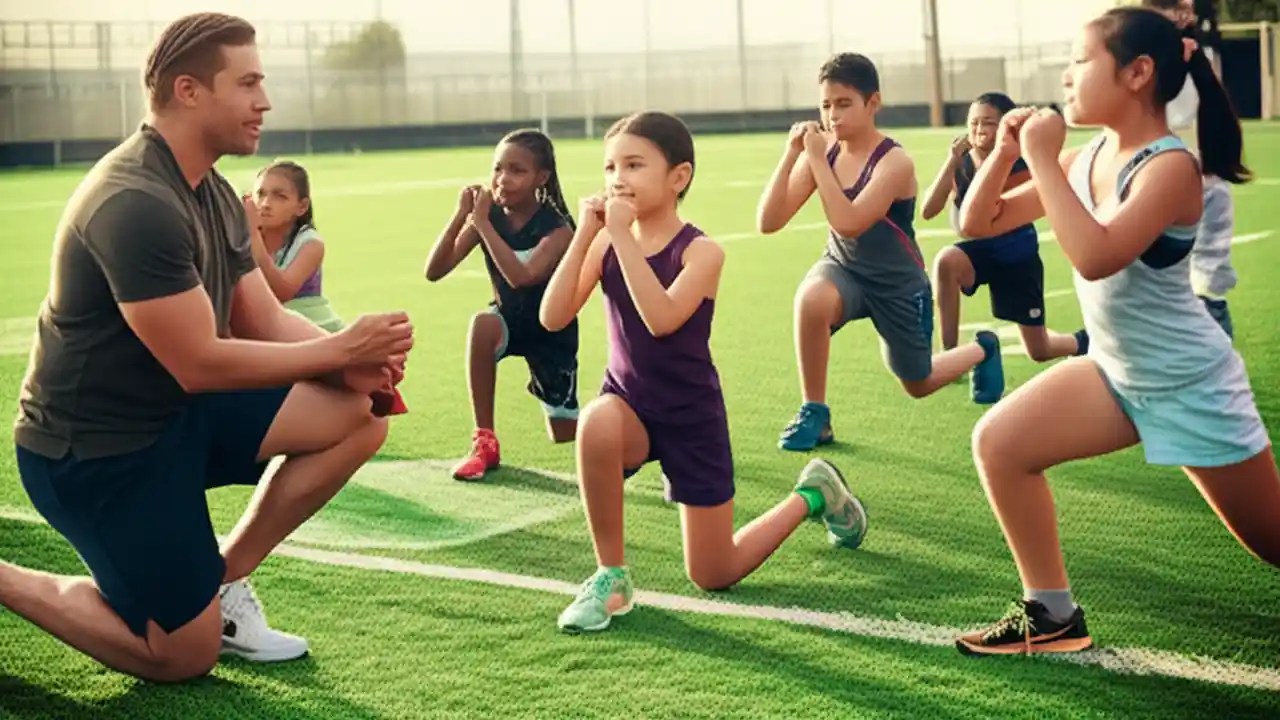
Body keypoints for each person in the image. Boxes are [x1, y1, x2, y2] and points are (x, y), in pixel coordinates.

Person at [2, 13, 413, 682]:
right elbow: (197, 362)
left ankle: (216, 581)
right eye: (248, 83)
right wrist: (340, 350)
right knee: (181, 657)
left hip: (173, 419)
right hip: (98, 450)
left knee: (360, 412)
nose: (265, 101)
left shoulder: (217, 193)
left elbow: (266, 319)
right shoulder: (133, 200)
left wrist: (355, 361)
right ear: (188, 91)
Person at [954, 7, 1276, 656]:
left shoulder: (1170, 169)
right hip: (1117, 374)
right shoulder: (1084, 156)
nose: (1065, 77)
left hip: (1190, 385)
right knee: (1001, 443)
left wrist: (1043, 158)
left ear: (1138, 73)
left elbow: (1096, 253)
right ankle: (1052, 616)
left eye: (1079, 62)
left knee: (1273, 543)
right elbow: (977, 222)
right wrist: (1010, 154)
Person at [540, 111, 868, 634]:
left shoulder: (701, 252)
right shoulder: (604, 241)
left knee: (715, 573)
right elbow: (552, 317)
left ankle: (814, 495)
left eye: (633, 164)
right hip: (630, 405)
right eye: (609, 168)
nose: (617, 179)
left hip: (691, 418)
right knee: (597, 420)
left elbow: (663, 320)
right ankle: (611, 574)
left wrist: (619, 237)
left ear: (678, 177)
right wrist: (585, 236)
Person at [756, 53, 1006, 454]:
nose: (832, 115)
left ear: (873, 104)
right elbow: (768, 221)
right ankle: (815, 412)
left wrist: (816, 159)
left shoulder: (894, 161)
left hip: (896, 284)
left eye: (843, 104)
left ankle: (982, 349)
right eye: (825, 105)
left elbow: (849, 221)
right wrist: (792, 154)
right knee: (811, 298)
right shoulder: (827, 154)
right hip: (843, 269)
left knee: (918, 382)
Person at [425, 129, 578, 481]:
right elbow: (435, 271)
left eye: (516, 170)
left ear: (541, 177)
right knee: (482, 324)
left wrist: (481, 225)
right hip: (509, 321)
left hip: (551, 332)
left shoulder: (559, 230)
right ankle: (485, 442)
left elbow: (521, 277)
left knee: (564, 431)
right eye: (497, 169)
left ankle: (647, 439)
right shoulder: (488, 218)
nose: (502, 180)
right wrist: (460, 216)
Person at [921, 92, 1088, 365]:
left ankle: (1083, 341)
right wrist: (951, 162)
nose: (978, 129)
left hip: (1016, 254)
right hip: (979, 251)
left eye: (987, 123)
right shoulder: (962, 163)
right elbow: (928, 211)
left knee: (1039, 350)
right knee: (946, 262)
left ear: (1006, 128)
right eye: (973, 122)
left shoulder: (1021, 164)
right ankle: (951, 355)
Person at [1142, 0, 1237, 338]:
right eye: (1177, 8)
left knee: (1202, 290)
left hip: (1189, 174)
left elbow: (1187, 113)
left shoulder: (1194, 59)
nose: (1186, 15)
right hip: (1168, 172)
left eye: (1189, 9)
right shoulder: (1150, 60)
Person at [245, 159, 343, 332]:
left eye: (280, 196)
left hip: (316, 332)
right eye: (260, 194)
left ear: (302, 206)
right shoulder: (240, 239)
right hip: (270, 332)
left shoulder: (310, 243)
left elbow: (282, 291)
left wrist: (253, 236)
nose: (266, 204)